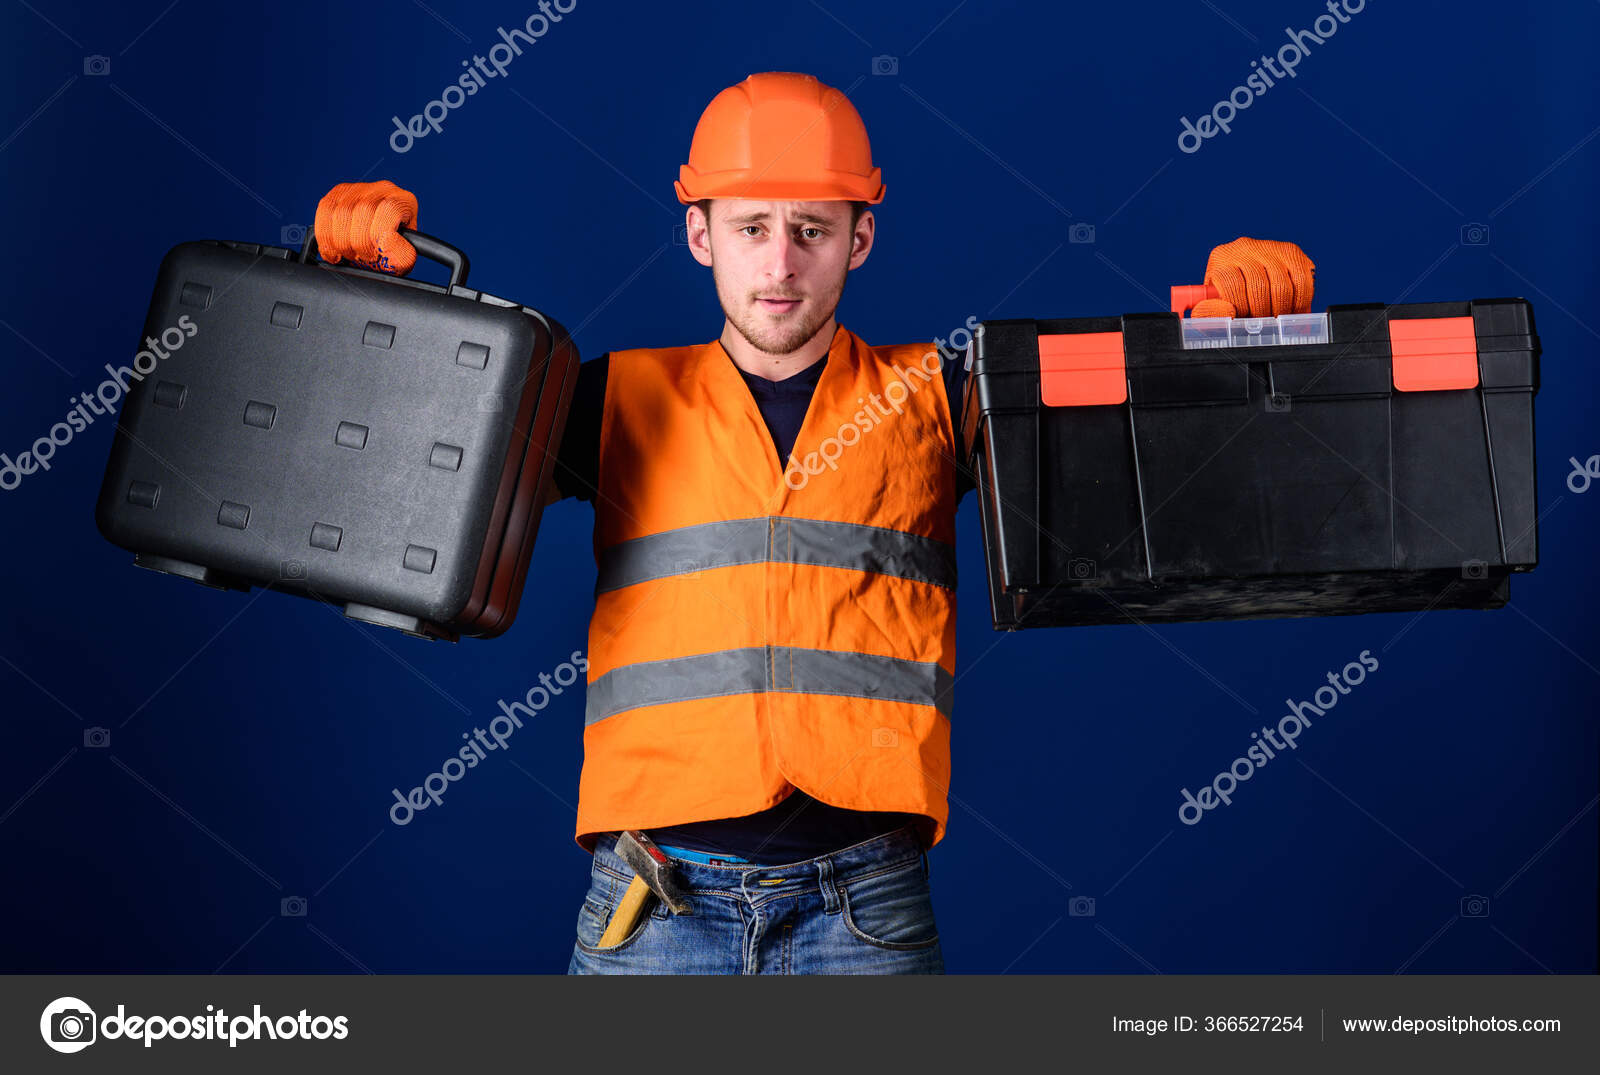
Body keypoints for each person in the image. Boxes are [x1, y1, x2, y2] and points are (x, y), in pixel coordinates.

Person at [310, 71, 1314, 974]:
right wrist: (363, 292)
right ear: (700, 233)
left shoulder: (940, 395)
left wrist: (1233, 335)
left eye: (812, 230)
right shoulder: (609, 400)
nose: (779, 263)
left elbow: (1152, 461)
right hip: (652, 911)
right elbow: (385, 446)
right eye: (750, 228)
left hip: (863, 910)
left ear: (859, 239)